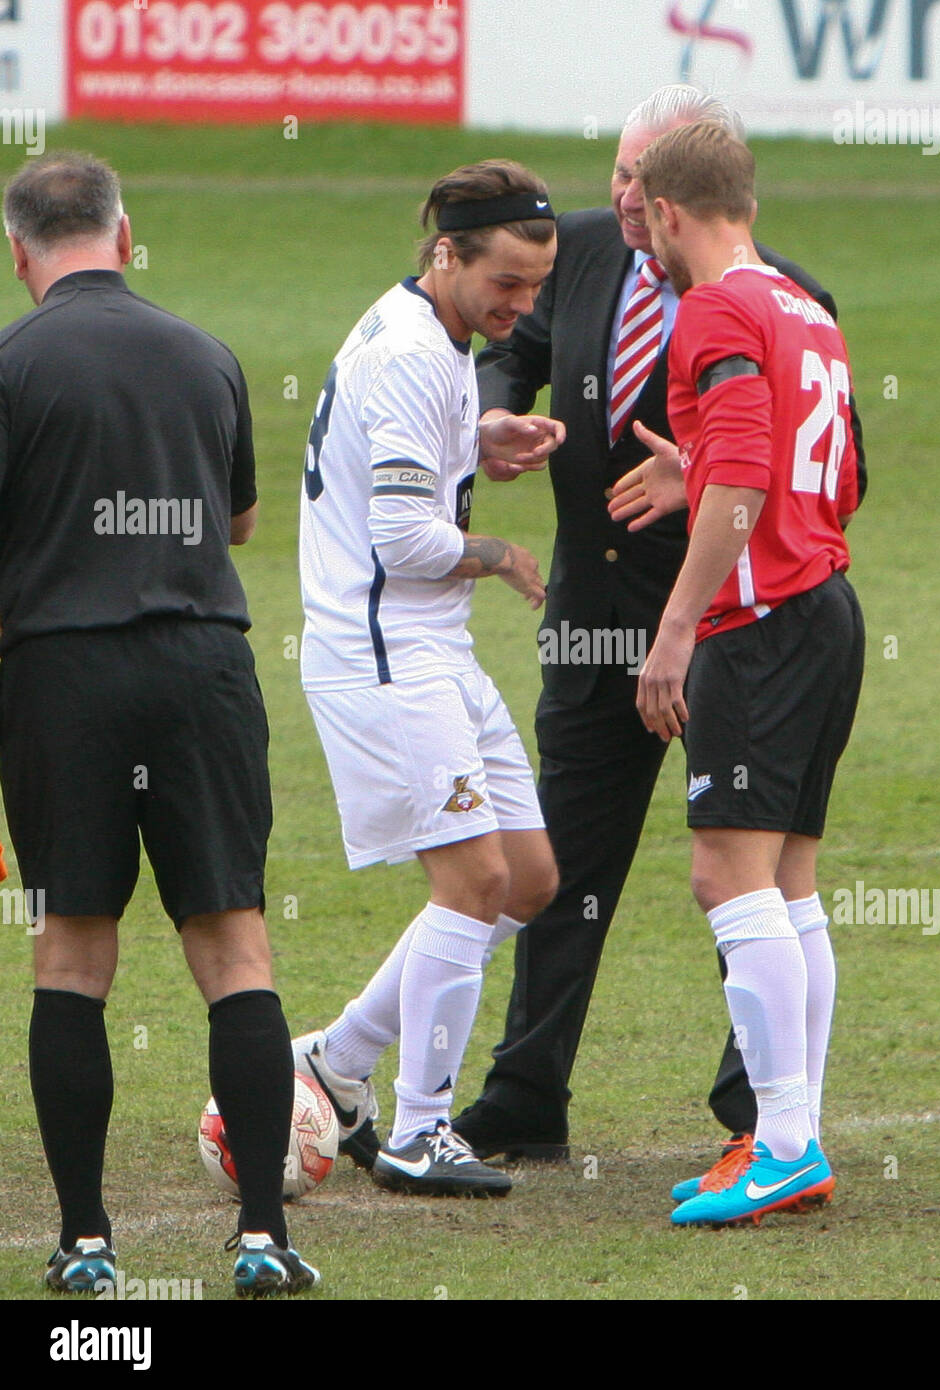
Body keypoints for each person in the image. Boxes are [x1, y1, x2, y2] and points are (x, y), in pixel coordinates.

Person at [454, 85, 866, 1162]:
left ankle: (761, 1118)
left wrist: (712, 485)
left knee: (749, 868)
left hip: (724, 619)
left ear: (687, 184)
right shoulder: (587, 253)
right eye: (620, 174)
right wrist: (490, 412)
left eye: (646, 179)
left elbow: (812, 469)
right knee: (565, 862)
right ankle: (525, 1091)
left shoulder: (757, 298)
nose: (627, 197)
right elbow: (515, 341)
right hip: (598, 623)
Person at [0, 152, 316, 1294]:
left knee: (72, 957)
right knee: (234, 950)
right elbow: (234, 520)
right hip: (200, 668)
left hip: (56, 678)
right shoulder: (205, 354)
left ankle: (87, 1245)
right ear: (126, 234)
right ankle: (261, 1236)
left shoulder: (10, 362)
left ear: (19, 250)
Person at [608, 119, 864, 1225]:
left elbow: (747, 479)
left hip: (757, 625)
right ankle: (788, 1137)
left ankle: (785, 1143)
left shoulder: (711, 308)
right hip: (826, 609)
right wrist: (706, 470)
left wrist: (674, 631)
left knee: (726, 878)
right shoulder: (804, 308)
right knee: (788, 880)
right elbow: (838, 478)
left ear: (666, 214)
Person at [293, 160, 563, 1198]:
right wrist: (498, 553)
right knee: (474, 881)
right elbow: (405, 538)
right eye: (506, 282)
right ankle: (419, 1129)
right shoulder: (413, 353)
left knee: (528, 877)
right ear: (445, 253)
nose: (520, 306)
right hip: (385, 651)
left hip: (430, 647)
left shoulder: (435, 332)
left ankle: (337, 1059)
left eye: (536, 287)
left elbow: (392, 464)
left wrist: (474, 435)